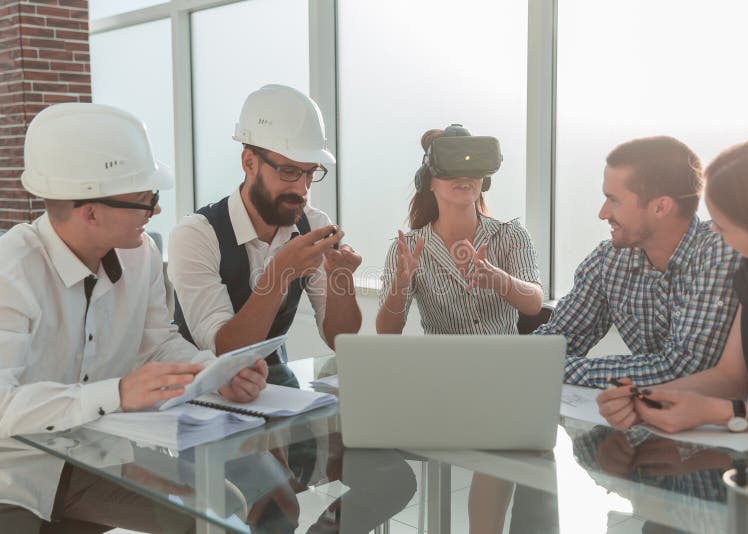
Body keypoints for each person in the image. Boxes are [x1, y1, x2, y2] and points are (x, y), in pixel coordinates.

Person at [0, 103, 266, 527]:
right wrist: (117, 393)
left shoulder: (141, 255)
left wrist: (216, 371)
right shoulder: (11, 271)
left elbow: (156, 343)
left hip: (101, 455)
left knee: (217, 513)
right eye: (145, 199)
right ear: (91, 211)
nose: (156, 210)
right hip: (14, 474)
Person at [598, 135, 748, 438]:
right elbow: (732, 377)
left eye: (724, 223)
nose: (714, 230)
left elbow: (730, 402)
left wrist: (724, 413)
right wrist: (643, 397)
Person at [169, 85, 361, 377]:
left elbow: (340, 339)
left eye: (310, 173)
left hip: (275, 389)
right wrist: (279, 273)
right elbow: (226, 352)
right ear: (249, 162)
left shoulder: (314, 225)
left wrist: (341, 282)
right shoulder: (195, 235)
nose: (301, 188)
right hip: (201, 396)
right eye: (288, 171)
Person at [535, 136, 741, 386]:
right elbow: (559, 339)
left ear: (661, 207)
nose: (603, 214)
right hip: (654, 414)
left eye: (614, 200)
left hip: (728, 419)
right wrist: (515, 360)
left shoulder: (720, 252)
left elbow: (683, 369)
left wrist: (554, 368)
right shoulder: (608, 258)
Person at [376, 124, 543, 334]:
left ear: (484, 181)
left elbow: (535, 302)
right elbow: (386, 333)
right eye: (451, 168)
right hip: (444, 365)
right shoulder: (406, 250)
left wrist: (501, 280)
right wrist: (399, 287)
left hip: (504, 363)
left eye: (472, 168)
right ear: (428, 182)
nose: (463, 176)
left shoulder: (511, 235)